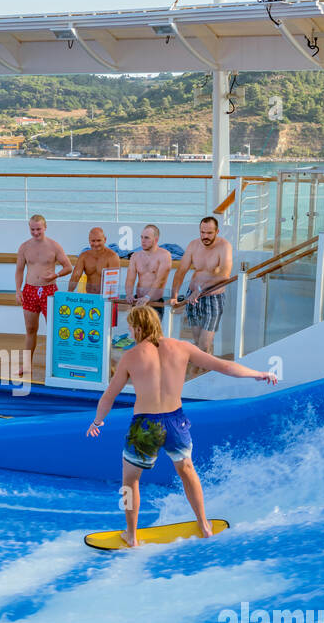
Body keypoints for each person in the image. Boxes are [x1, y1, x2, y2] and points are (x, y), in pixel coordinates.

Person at [87, 305, 277, 548]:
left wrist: (97, 421)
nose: (131, 334)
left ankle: (131, 536)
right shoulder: (183, 347)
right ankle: (204, 525)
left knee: (130, 481)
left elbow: (108, 397)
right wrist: (257, 374)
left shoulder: (131, 357)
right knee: (187, 470)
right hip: (176, 421)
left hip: (146, 425)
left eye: (131, 329)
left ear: (136, 327)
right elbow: (225, 366)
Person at [171, 215, 234, 375]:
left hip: (213, 297)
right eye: (202, 232)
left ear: (217, 231)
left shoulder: (224, 246)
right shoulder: (193, 245)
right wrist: (174, 294)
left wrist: (201, 288)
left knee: (204, 344)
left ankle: (196, 374)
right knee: (198, 341)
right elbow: (181, 271)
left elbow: (225, 275)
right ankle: (206, 373)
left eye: (209, 233)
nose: (205, 236)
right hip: (193, 296)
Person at [14, 214, 74, 376]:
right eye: (32, 229)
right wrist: (18, 290)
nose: (35, 232)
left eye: (38, 229)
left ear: (45, 228)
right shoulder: (24, 247)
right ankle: (27, 365)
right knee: (30, 329)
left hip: (49, 291)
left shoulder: (54, 246)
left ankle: (56, 365)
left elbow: (68, 267)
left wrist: (56, 275)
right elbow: (19, 270)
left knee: (54, 330)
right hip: (30, 290)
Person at [122, 224, 172, 319]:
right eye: (141, 237)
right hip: (138, 300)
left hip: (154, 301)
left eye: (147, 238)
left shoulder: (164, 255)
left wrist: (148, 297)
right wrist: (128, 294)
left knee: (151, 333)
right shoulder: (135, 256)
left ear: (156, 239)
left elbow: (160, 280)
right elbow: (130, 279)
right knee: (136, 331)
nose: (143, 241)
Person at [69, 227, 122, 295]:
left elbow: (113, 282)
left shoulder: (112, 257)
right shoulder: (84, 256)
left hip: (106, 297)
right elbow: (75, 276)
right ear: (89, 241)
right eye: (93, 241)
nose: (96, 244)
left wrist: (109, 301)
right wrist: (69, 292)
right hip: (90, 297)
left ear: (105, 240)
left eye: (99, 240)